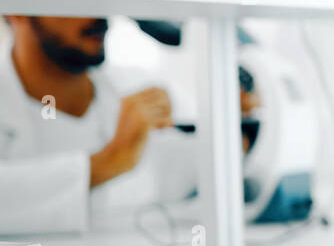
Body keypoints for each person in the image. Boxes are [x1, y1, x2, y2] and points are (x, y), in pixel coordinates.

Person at [0, 16, 254, 234]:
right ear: (17, 11)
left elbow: (210, 158)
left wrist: (243, 121)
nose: (100, 17)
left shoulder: (142, 89)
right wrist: (109, 161)